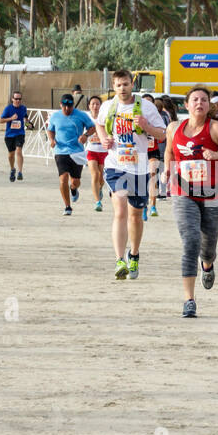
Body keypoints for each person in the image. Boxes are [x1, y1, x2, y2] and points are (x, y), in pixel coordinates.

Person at [164, 85, 218, 318]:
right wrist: (167, 171)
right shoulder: (174, 128)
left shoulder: (217, 129)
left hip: (211, 196)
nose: (199, 103)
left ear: (209, 105)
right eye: (195, 100)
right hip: (183, 193)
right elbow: (170, 152)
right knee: (190, 242)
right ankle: (189, 299)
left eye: (204, 100)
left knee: (207, 249)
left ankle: (207, 265)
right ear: (187, 105)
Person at [96, 69, 167, 280]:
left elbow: (162, 134)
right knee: (120, 210)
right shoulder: (109, 106)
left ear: (132, 85)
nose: (122, 88)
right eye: (118, 85)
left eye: (126, 84)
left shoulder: (146, 107)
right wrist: (103, 139)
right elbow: (99, 124)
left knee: (135, 216)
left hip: (139, 167)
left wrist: (145, 126)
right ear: (113, 86)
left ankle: (133, 254)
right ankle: (119, 260)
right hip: (115, 165)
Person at [47, 93, 95, 215]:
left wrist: (85, 135)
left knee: (75, 181)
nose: (67, 109)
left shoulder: (81, 115)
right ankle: (67, 206)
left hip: (77, 151)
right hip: (60, 151)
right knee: (63, 179)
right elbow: (50, 130)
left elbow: (92, 127)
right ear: (60, 105)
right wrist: (51, 140)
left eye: (70, 106)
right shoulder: (55, 116)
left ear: (73, 105)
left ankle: (73, 189)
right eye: (64, 106)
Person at [84, 96, 108, 210]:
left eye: (97, 104)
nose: (95, 106)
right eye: (92, 104)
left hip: (104, 151)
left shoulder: (105, 117)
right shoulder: (86, 117)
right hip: (91, 150)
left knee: (101, 178)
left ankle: (100, 188)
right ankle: (97, 201)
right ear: (89, 106)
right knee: (95, 174)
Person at [0, 90, 27, 181]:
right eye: (16, 99)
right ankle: (12, 169)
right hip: (9, 135)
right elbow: (1, 120)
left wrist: (28, 124)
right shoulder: (8, 109)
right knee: (11, 155)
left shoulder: (23, 108)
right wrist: (11, 118)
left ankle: (20, 172)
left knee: (19, 150)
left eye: (20, 99)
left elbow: (25, 118)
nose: (18, 100)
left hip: (20, 134)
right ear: (12, 99)